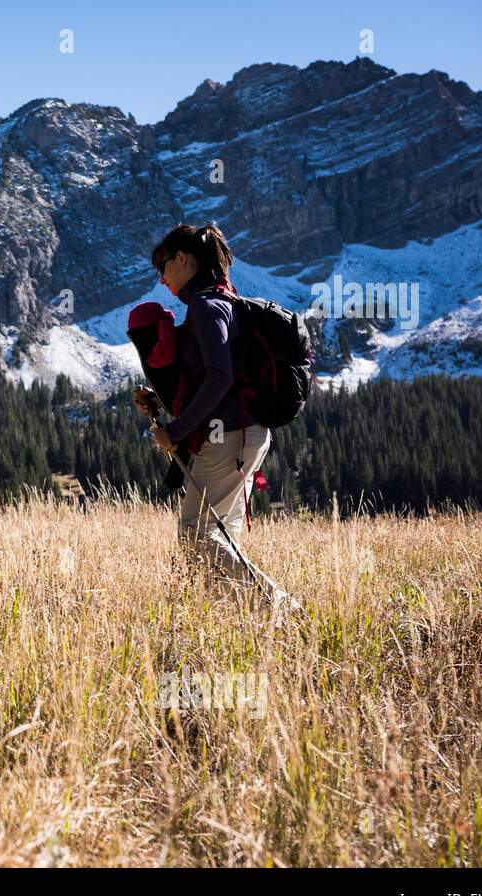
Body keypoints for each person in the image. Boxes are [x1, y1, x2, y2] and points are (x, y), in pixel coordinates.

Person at [147, 222, 297, 617]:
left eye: (162, 268)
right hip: (245, 431)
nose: (162, 280)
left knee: (196, 534)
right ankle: (238, 621)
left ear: (183, 259)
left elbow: (220, 377)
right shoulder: (222, 300)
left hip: (229, 433)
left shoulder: (205, 305)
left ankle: (277, 607)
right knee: (219, 535)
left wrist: (176, 431)